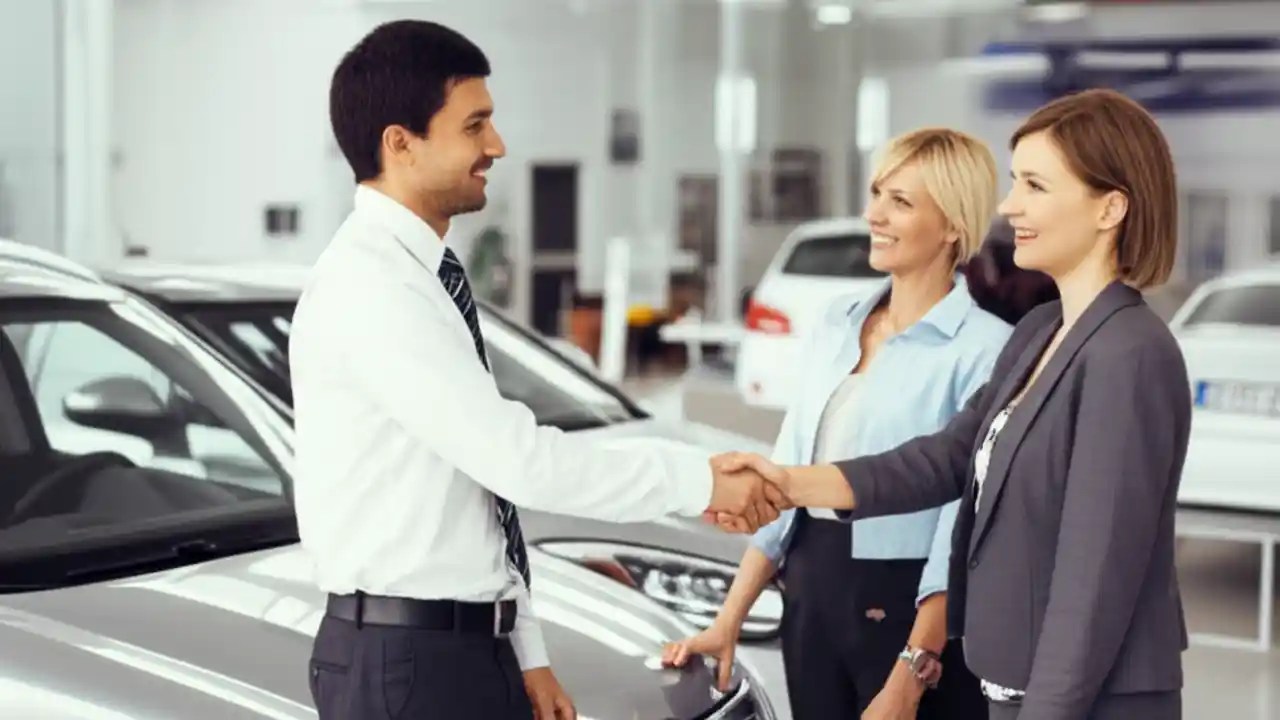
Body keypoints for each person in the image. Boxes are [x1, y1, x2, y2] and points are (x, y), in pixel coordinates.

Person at [290, 20, 782, 720]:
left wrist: (525, 651)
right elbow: (518, 462)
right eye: (475, 125)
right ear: (400, 144)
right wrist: (699, 478)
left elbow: (477, 490)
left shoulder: (420, 277)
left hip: (454, 649)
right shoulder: (374, 289)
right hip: (410, 665)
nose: (497, 146)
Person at [716, 88, 1190, 719]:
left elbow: (1094, 580)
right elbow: (941, 461)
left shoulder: (1130, 355)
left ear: (1110, 208)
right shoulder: (1042, 331)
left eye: (1035, 186)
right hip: (1016, 685)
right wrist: (786, 483)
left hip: (1088, 698)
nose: (1008, 204)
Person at [665, 128, 1009, 720]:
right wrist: (728, 620)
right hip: (812, 587)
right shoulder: (836, 321)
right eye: (877, 193)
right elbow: (789, 469)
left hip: (909, 605)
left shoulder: (986, 349)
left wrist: (912, 670)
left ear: (953, 224)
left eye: (900, 201)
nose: (873, 214)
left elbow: (960, 530)